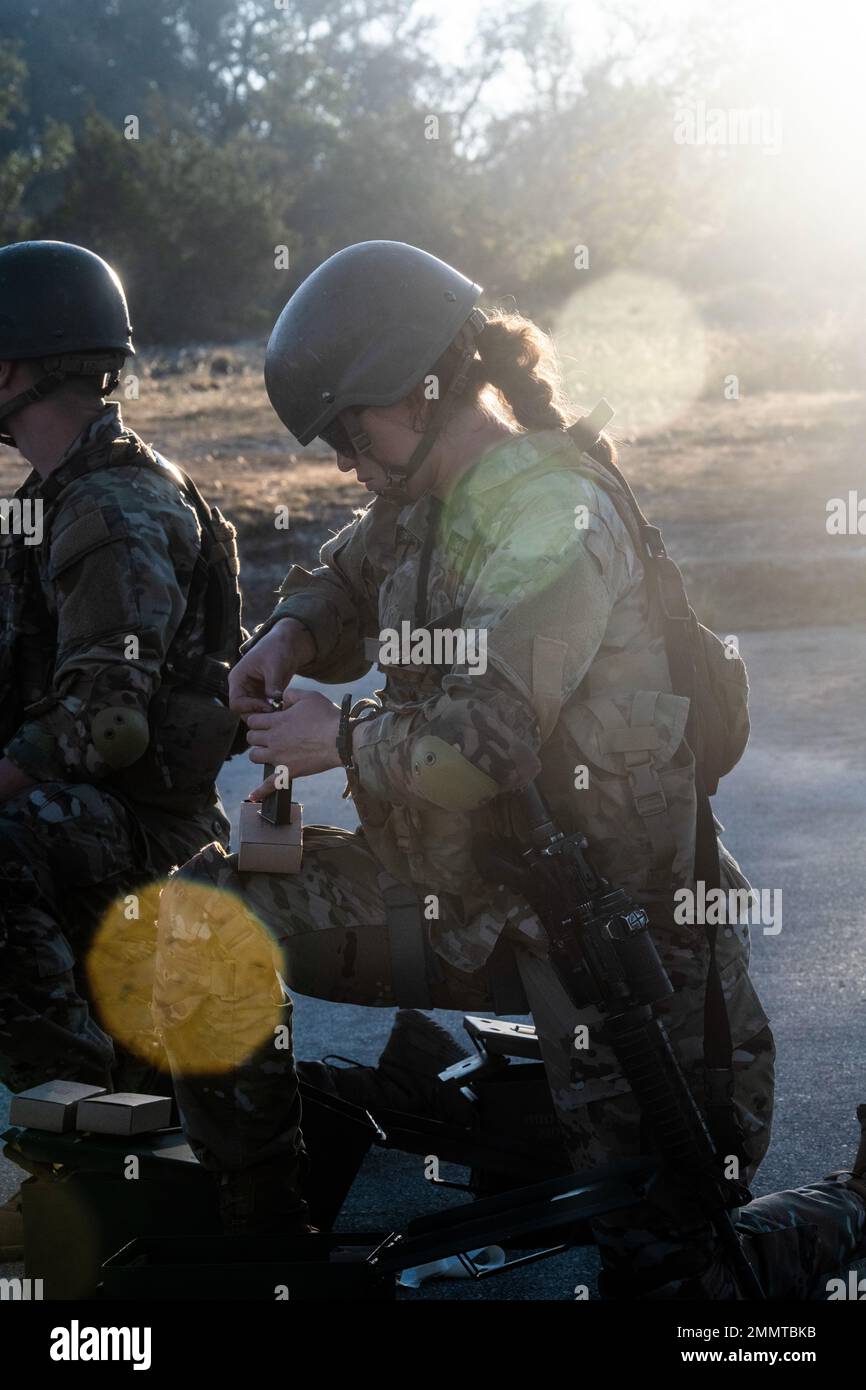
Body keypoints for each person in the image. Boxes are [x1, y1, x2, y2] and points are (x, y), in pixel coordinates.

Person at [153, 240, 774, 1295]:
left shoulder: (548, 511)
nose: (346, 455)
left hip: (607, 946)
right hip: (457, 900)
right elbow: (343, 579)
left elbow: (480, 747)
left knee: (678, 1279)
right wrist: (289, 639)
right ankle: (264, 1238)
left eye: (353, 427)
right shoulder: (426, 494)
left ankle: (844, 1206)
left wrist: (337, 736)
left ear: (420, 392)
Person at [0, 240, 242, 1257]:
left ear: (18, 369)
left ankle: (87, 1145)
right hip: (114, 811)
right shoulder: (56, 495)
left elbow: (106, 724)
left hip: (155, 830)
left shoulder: (111, 506)